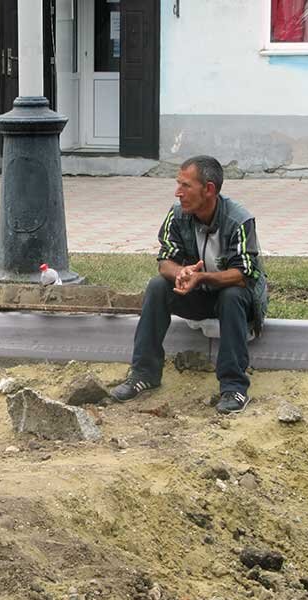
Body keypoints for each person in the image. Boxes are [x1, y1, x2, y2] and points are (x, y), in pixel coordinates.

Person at [111, 155, 268, 414]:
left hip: (238, 302)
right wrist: (181, 272)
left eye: (185, 186)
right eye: (178, 184)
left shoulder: (239, 220)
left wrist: (202, 277)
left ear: (208, 190)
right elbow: (165, 262)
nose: (178, 193)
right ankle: (144, 374)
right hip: (200, 295)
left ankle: (234, 388)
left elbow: (243, 274)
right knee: (157, 287)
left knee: (231, 295)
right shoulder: (178, 215)